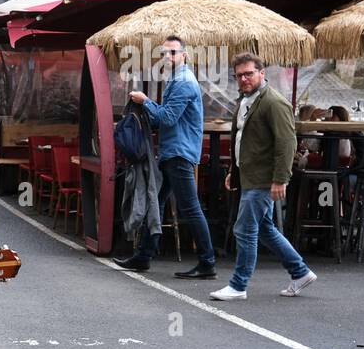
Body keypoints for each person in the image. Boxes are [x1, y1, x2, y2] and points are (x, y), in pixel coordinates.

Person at [211, 53, 316, 300]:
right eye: (239, 75)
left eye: (249, 73)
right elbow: (243, 140)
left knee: (245, 230)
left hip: (262, 179)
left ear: (262, 73)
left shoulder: (273, 102)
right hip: (250, 177)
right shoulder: (246, 100)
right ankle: (300, 272)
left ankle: (238, 286)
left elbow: (286, 142)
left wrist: (281, 179)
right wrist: (233, 173)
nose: (244, 79)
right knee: (265, 229)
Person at [113, 36, 218, 279]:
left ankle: (207, 261)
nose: (168, 57)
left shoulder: (182, 82)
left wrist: (146, 101)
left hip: (179, 153)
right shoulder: (177, 79)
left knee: (190, 207)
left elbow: (167, 118)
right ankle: (143, 256)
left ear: (184, 55)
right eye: (165, 53)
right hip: (175, 151)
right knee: (157, 202)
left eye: (173, 53)